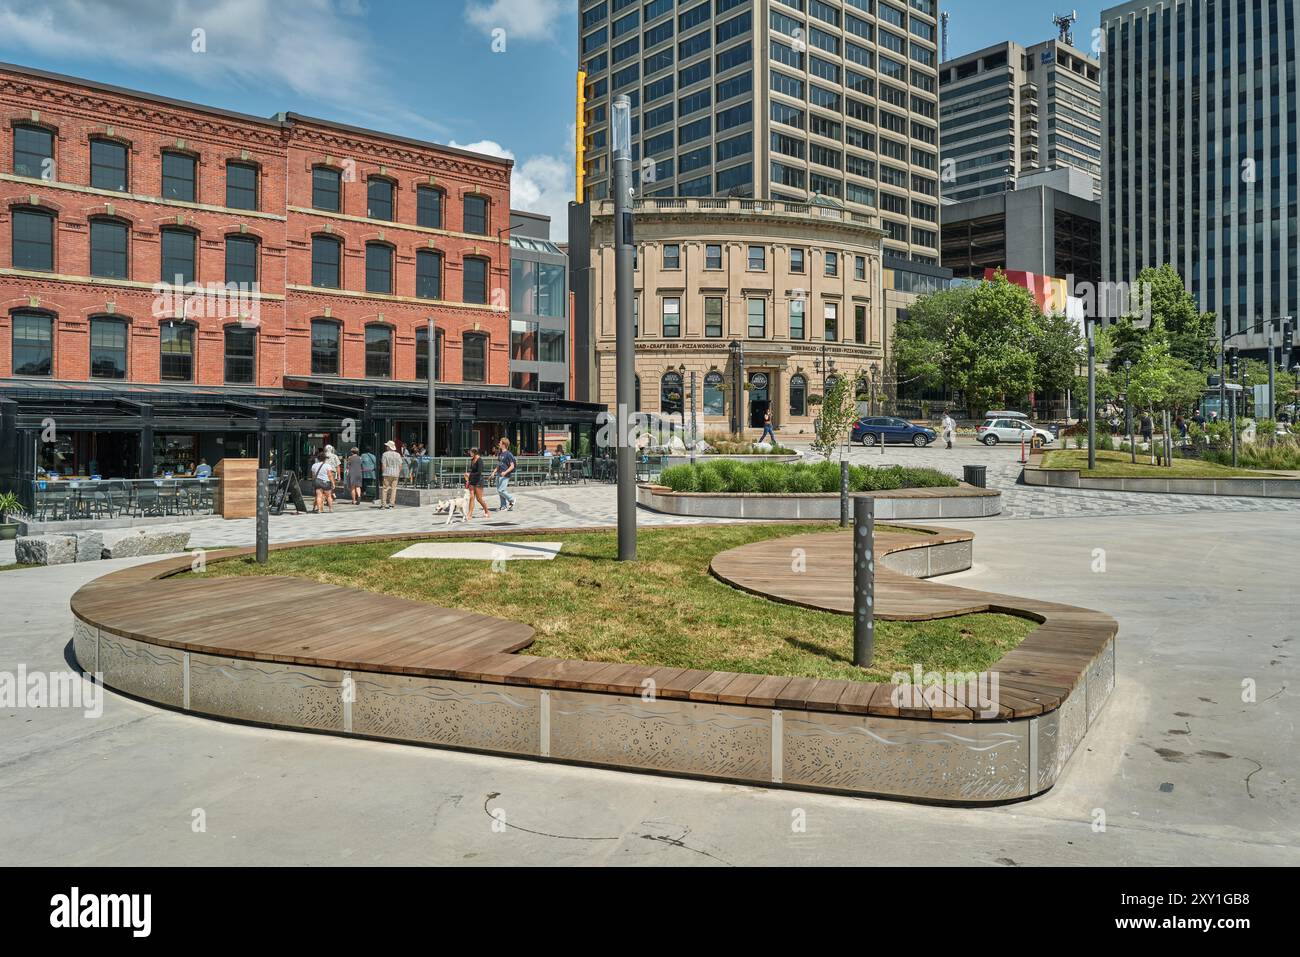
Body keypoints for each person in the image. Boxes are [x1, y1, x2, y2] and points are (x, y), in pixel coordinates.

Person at [492, 437, 517, 512]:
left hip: (505, 475)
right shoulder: (500, 453)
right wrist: (494, 472)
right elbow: (499, 464)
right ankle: (503, 506)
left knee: (501, 490)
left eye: (500, 442)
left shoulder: (508, 454)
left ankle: (512, 499)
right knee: (500, 491)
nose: (499, 443)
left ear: (504, 444)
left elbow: (512, 466)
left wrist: (505, 472)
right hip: (499, 474)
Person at [463, 447, 489, 519]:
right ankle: (470, 514)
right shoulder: (472, 459)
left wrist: (470, 475)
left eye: (471, 452)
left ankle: (486, 510)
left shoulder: (480, 460)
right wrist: (467, 475)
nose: (469, 453)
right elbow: (473, 470)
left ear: (474, 452)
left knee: (479, 499)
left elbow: (479, 472)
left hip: (479, 481)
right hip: (472, 481)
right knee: (471, 497)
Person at [309, 448, 334, 513]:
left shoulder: (314, 465)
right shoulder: (327, 466)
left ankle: (319, 509)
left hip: (317, 482)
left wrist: (313, 482)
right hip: (326, 482)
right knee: (328, 496)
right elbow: (330, 475)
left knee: (318, 496)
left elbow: (313, 476)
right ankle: (330, 509)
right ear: (325, 458)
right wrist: (333, 483)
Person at [379, 440, 402, 509]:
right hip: (395, 473)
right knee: (393, 489)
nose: (386, 447)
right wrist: (398, 472)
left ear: (389, 447)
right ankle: (391, 504)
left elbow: (383, 465)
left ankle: (383, 504)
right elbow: (400, 465)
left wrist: (383, 472)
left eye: (387, 446)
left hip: (387, 473)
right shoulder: (398, 455)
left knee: (385, 489)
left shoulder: (385, 454)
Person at [323, 444, 341, 509]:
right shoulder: (335, 456)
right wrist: (339, 475)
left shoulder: (323, 456)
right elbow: (338, 466)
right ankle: (330, 498)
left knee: (324, 486)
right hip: (332, 472)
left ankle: (326, 499)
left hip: (324, 472)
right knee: (331, 486)